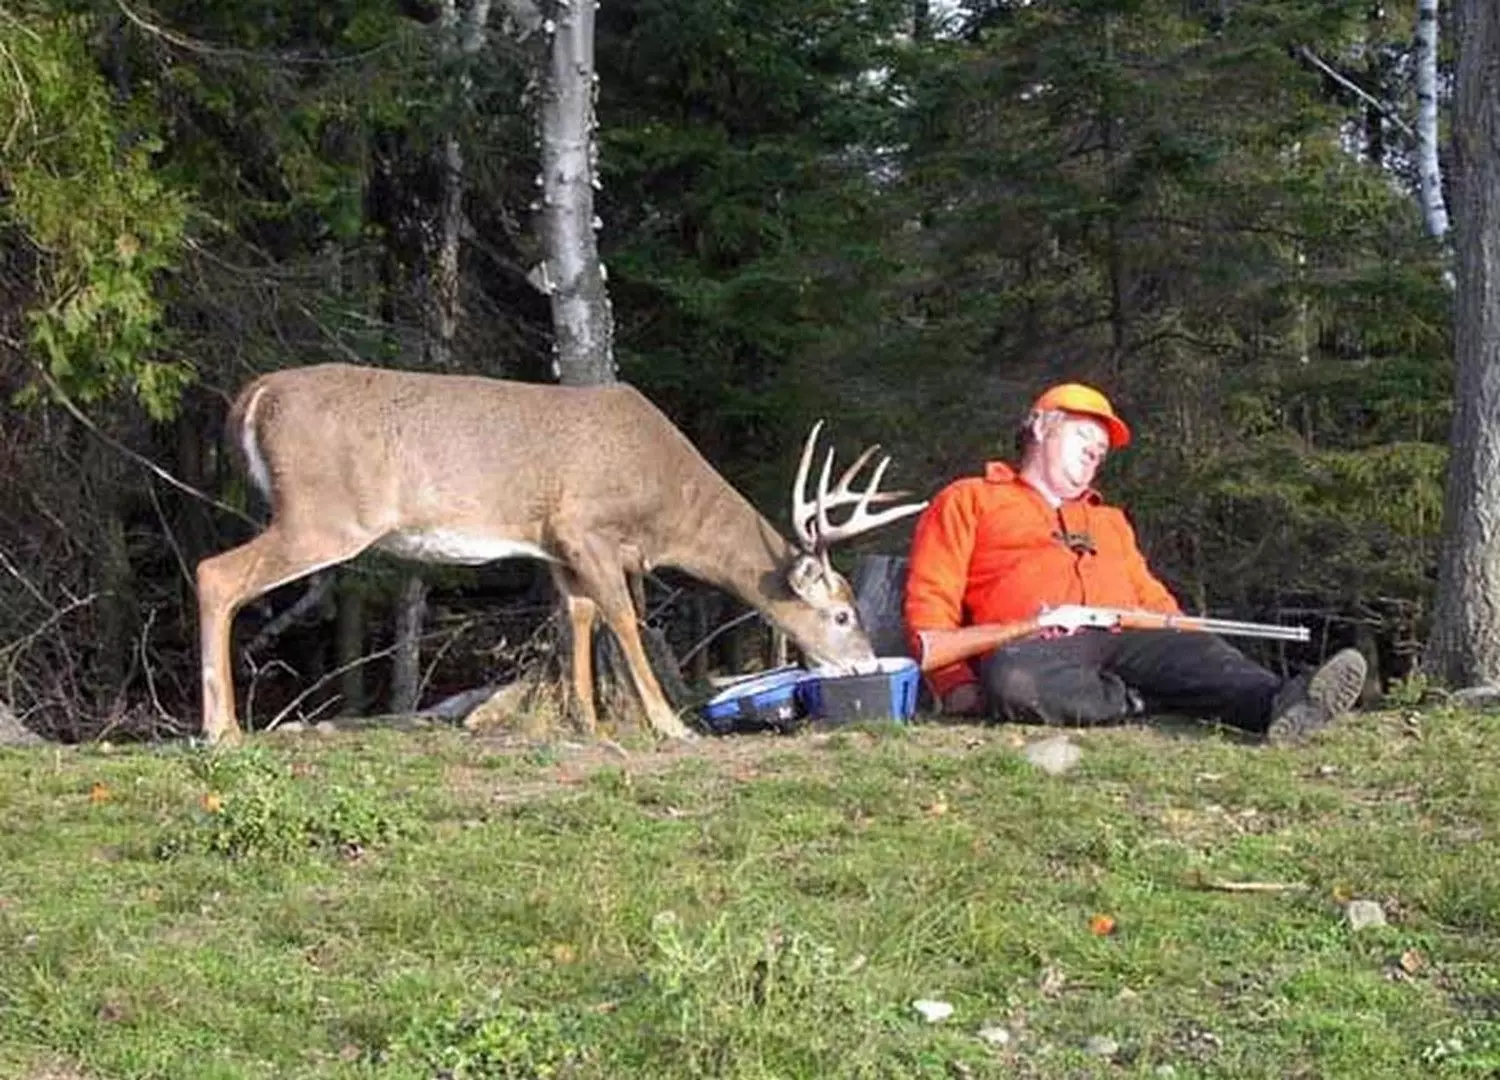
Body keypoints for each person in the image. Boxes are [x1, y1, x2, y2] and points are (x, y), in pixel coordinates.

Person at [902, 382, 1366, 743]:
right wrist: (952, 683)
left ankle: (1284, 704)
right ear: (1041, 427)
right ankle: (1144, 701)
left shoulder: (1109, 520)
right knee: (1011, 678)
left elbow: (1150, 596)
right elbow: (931, 600)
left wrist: (1186, 637)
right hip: (1038, 649)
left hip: (1129, 638)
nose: (1094, 452)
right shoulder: (970, 499)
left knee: (1198, 654)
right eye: (1084, 436)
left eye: (1101, 450)